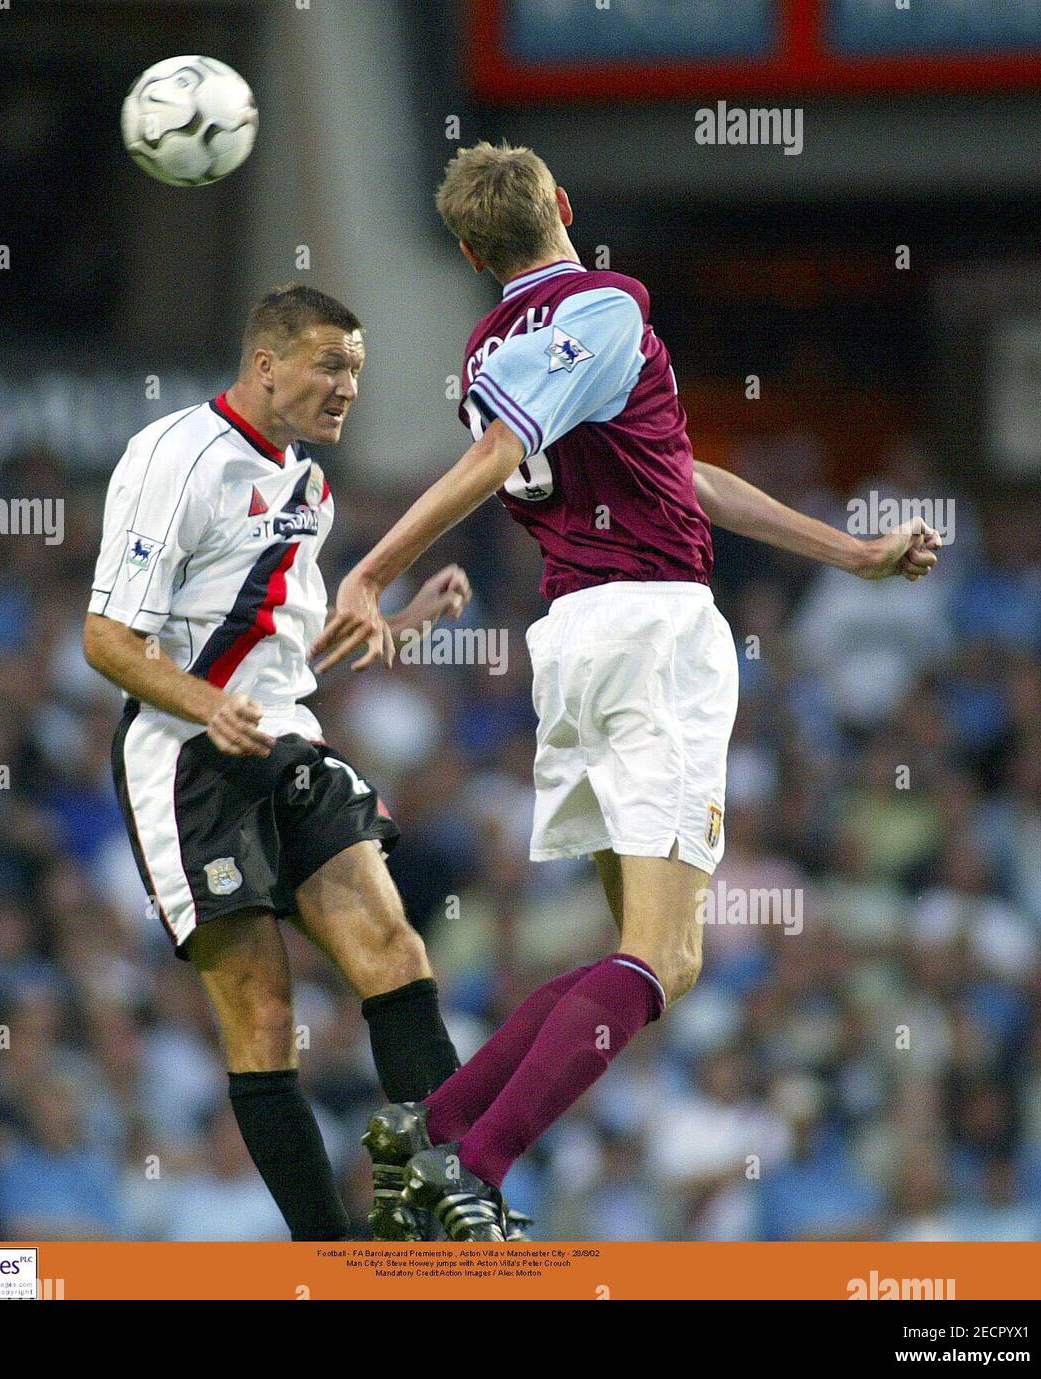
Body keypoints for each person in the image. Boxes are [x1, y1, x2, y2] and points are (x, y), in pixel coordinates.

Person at [313, 143, 942, 1240]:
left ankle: (436, 1128)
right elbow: (503, 450)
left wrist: (845, 552)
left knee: (662, 955)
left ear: (468, 251)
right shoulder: (600, 309)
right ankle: (473, 1165)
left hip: (577, 641)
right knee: (657, 957)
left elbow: (677, 471)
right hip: (653, 631)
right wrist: (373, 567)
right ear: (564, 203)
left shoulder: (481, 354)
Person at [84, 284, 472, 1240]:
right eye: (330, 365)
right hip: (186, 760)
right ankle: (326, 1255)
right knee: (262, 1015)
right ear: (266, 365)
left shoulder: (307, 485)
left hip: (285, 743)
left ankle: (457, 1201)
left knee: (396, 950)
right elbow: (105, 638)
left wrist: (400, 620)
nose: (348, 387)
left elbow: (280, 663)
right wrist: (211, 706)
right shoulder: (177, 457)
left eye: (356, 370)